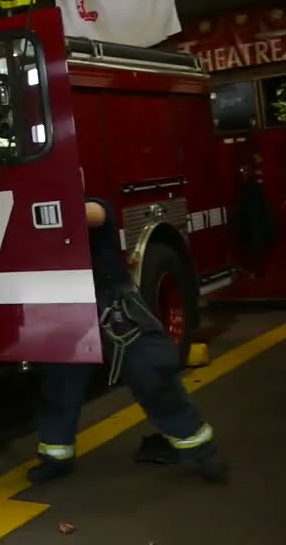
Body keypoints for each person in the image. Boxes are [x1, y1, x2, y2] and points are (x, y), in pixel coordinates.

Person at [30, 169, 228, 484]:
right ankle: (56, 456)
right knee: (59, 385)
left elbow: (88, 215)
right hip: (69, 309)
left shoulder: (95, 208)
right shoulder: (34, 220)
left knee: (153, 376)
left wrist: (39, 202)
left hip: (114, 308)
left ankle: (203, 451)